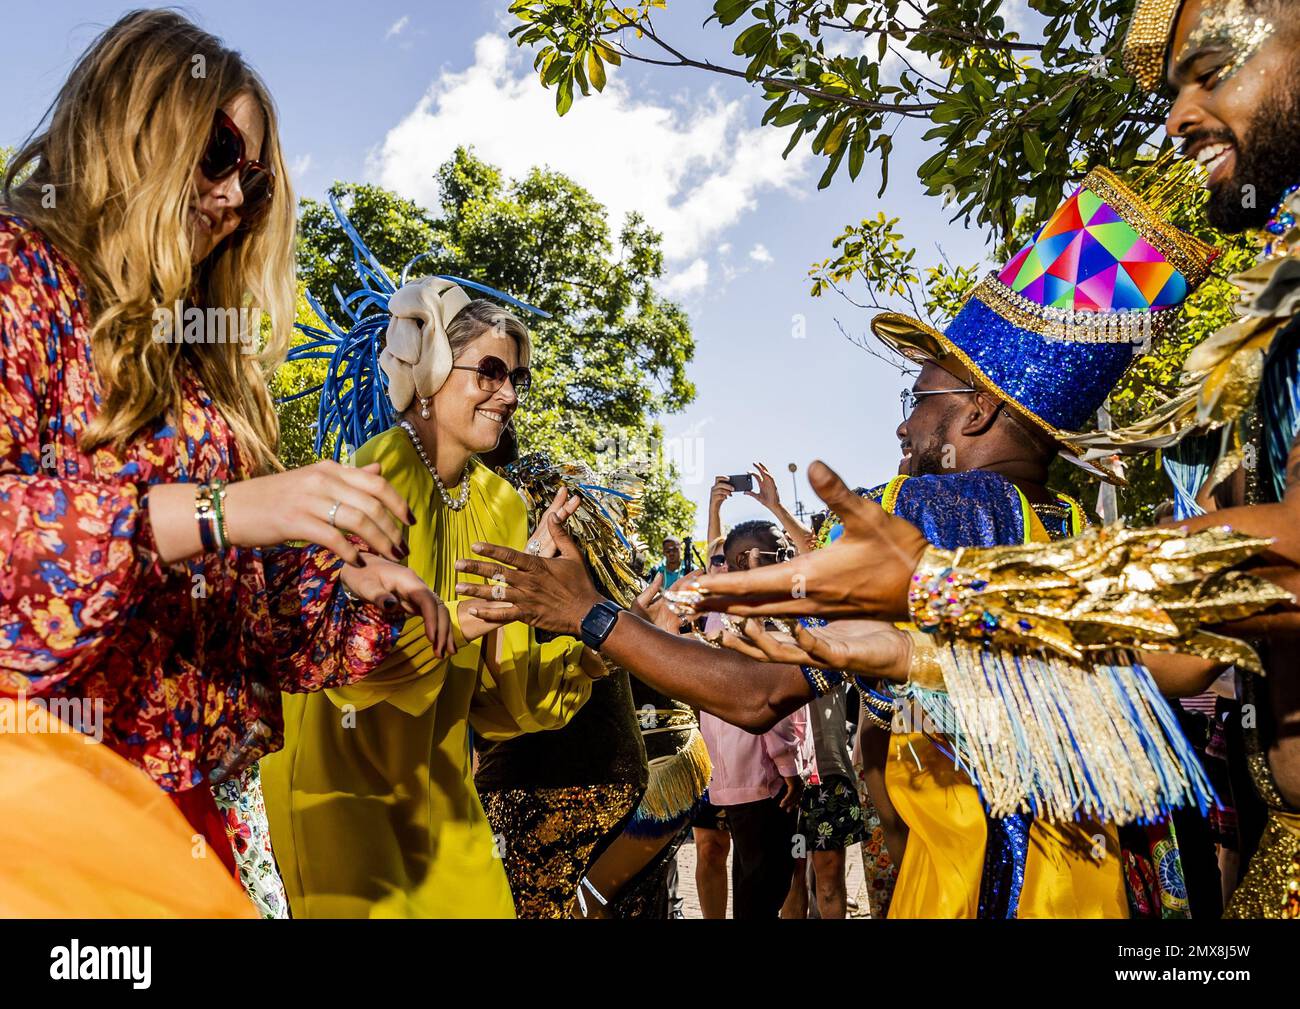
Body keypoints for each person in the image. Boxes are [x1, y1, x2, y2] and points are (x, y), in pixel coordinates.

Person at [453, 166, 1270, 917]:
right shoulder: (1074, 530)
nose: (903, 421)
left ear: (976, 412)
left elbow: (755, 694)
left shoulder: (924, 507)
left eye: (920, 396)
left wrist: (591, 614)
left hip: (985, 885)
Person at [0, 10, 449, 917]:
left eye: (257, 179)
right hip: (35, 808)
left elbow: (245, 629)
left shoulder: (206, 375)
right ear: (132, 128)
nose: (236, 198)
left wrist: (346, 591)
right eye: (216, 152)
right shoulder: (19, 273)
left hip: (179, 822)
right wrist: (211, 510)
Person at [259, 202, 605, 918]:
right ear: (431, 366)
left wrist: (592, 646)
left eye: (517, 379)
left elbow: (503, 698)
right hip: (337, 785)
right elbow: (352, 672)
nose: (509, 394)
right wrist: (480, 611)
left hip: (442, 795)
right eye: (490, 371)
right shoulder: (369, 482)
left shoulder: (506, 506)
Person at [474, 456, 649, 919]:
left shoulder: (530, 577)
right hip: (619, 776)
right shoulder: (592, 578)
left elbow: (505, 687)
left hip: (544, 779)